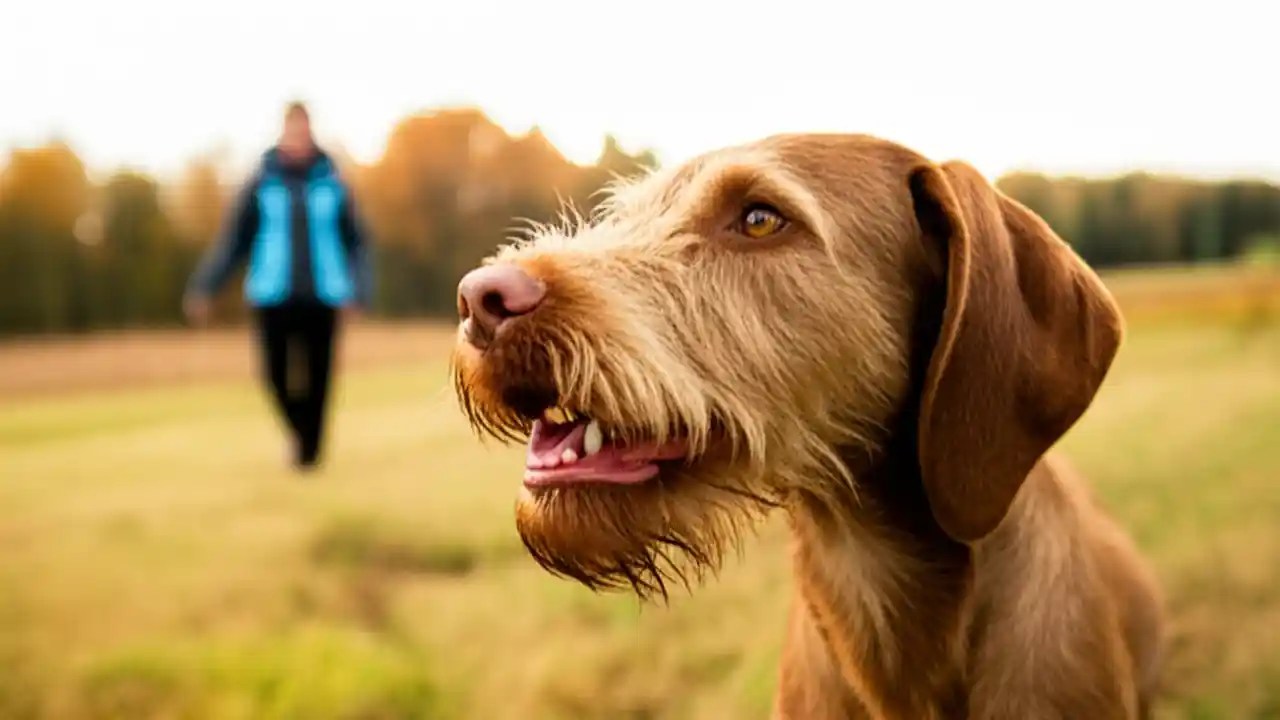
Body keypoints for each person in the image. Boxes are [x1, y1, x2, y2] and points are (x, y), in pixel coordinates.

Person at [184, 101, 371, 471]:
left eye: (303, 130)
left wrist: (359, 290)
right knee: (274, 376)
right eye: (292, 130)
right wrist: (205, 287)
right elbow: (234, 241)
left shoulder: (334, 181)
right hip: (273, 294)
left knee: (319, 381)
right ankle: (301, 437)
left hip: (324, 295)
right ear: (283, 132)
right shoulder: (260, 181)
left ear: (311, 131)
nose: (298, 138)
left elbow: (358, 241)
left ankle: (309, 456)